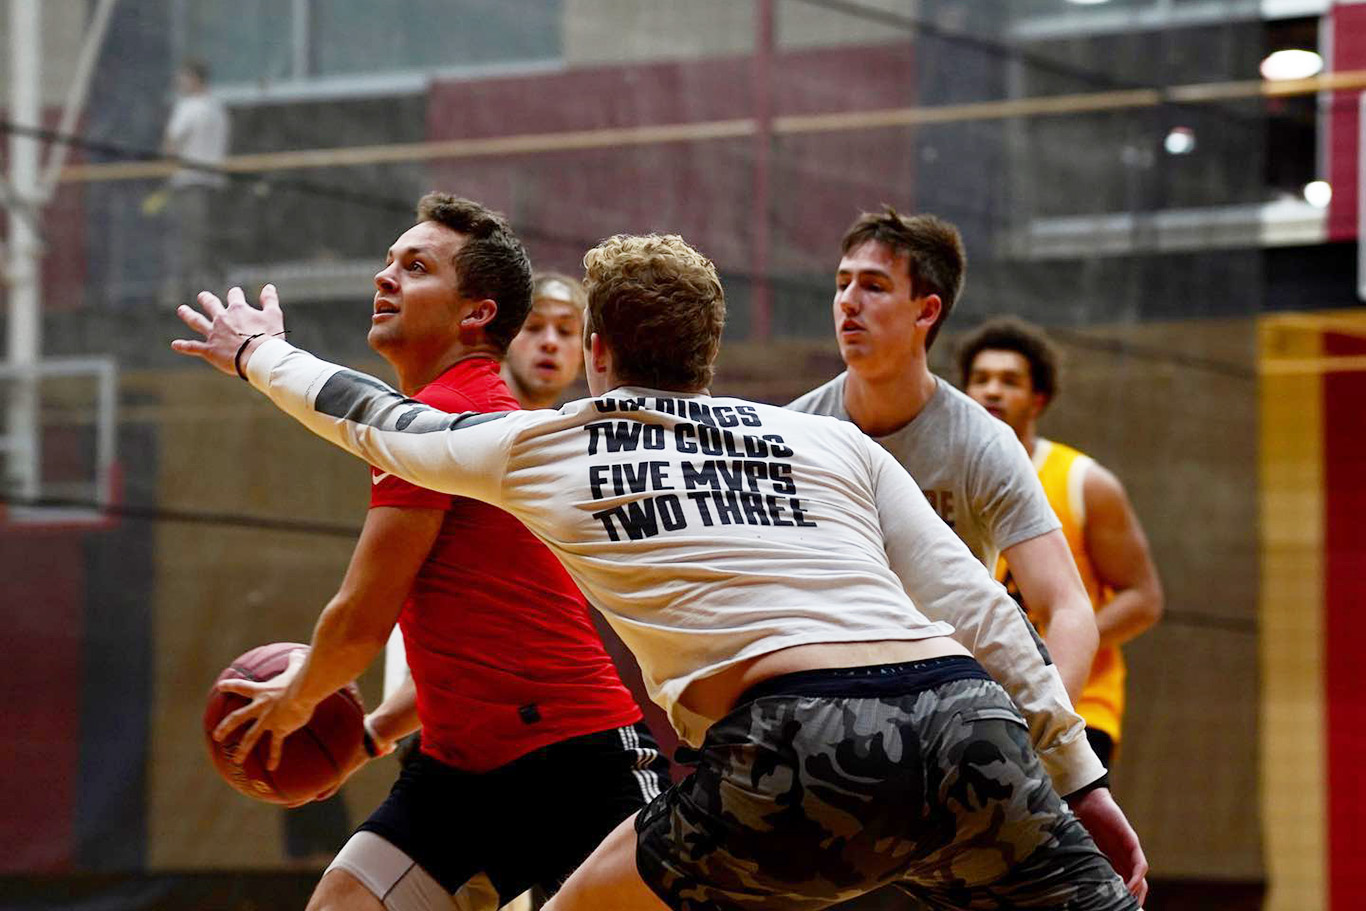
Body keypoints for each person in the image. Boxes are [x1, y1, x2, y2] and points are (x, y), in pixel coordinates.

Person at [172, 232, 1149, 911]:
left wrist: (259, 350)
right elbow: (978, 609)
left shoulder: (547, 443)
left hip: (796, 744)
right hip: (967, 722)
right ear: (708, 355)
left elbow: (375, 418)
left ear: (596, 351)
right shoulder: (824, 441)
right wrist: (1082, 783)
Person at [196, 193, 670, 911]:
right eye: (387, 263)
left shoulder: (448, 422)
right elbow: (480, 645)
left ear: (475, 313)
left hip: (577, 762)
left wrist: (293, 705)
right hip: (458, 770)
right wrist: (370, 733)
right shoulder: (449, 420)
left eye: (415, 267)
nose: (386, 278)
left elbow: (359, 618)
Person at [787, 209, 1099, 703]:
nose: (848, 302)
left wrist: (1047, 744)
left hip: (953, 705)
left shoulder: (983, 443)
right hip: (831, 701)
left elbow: (1069, 609)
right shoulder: (797, 432)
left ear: (926, 311)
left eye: (873, 286)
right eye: (842, 283)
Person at [959, 318, 1164, 771]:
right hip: (972, 701)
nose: (992, 391)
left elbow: (1143, 599)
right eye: (981, 379)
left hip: (1079, 706)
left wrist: (1055, 650)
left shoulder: (1084, 482)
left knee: (1062, 841)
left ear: (1038, 399)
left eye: (1009, 381)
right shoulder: (940, 481)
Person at [160, 59, 230, 305]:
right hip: (213, 183)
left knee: (190, 242)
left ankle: (189, 294)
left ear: (194, 79)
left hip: (190, 182)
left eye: (184, 77)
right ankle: (213, 289)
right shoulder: (216, 107)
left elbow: (171, 143)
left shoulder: (189, 107)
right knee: (207, 240)